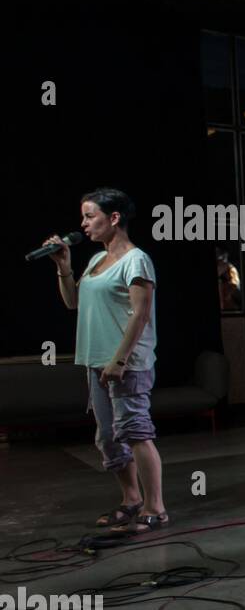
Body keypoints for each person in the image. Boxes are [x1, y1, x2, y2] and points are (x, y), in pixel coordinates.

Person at [48, 188, 169, 534]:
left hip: (126, 363)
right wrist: (64, 267)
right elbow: (73, 303)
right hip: (96, 360)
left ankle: (155, 507)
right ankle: (131, 500)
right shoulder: (94, 261)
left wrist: (119, 360)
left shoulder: (136, 260)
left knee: (135, 432)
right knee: (108, 438)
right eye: (83, 217)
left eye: (90, 216)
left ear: (113, 218)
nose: (83, 224)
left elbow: (141, 315)